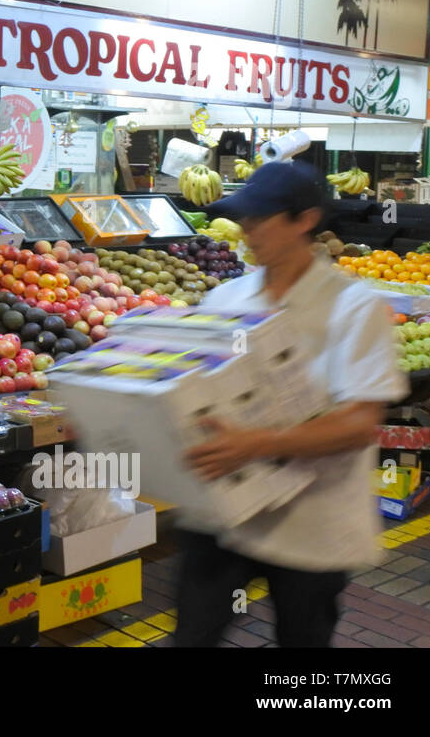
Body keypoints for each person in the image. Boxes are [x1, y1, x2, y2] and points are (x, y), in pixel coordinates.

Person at [173, 160, 407, 647]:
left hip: (310, 525)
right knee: (194, 636)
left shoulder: (354, 307)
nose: (246, 229)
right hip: (225, 514)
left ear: (304, 220)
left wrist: (253, 444)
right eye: (243, 217)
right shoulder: (224, 300)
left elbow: (359, 425)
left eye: (259, 218)